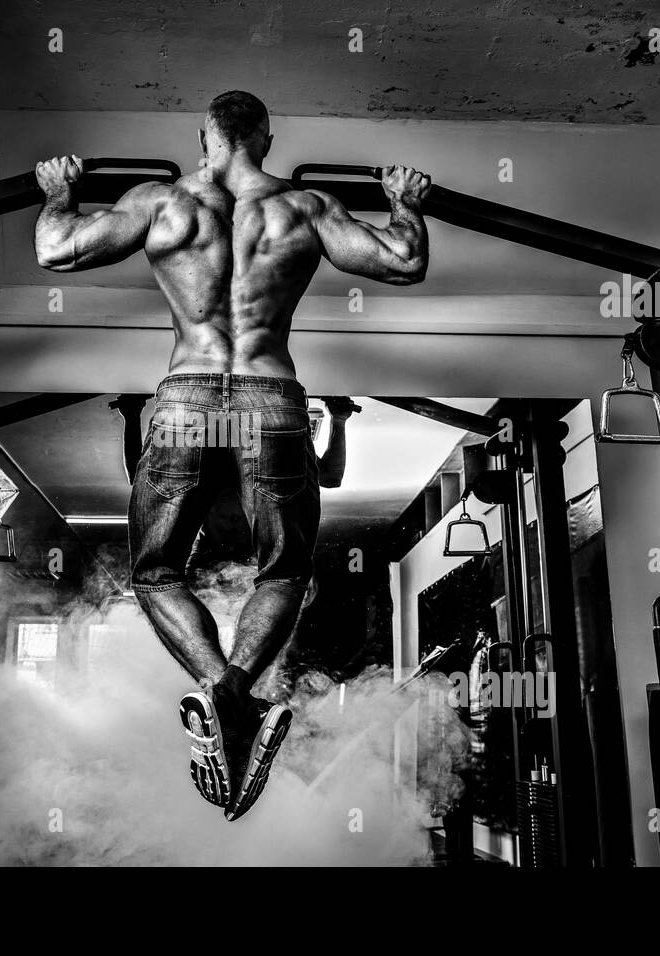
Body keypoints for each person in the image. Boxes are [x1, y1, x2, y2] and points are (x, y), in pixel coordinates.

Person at [35, 90, 429, 820]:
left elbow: (54, 249)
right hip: (269, 397)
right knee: (284, 567)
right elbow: (404, 261)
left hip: (186, 400)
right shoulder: (304, 208)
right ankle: (237, 690)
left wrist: (61, 192)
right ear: (268, 142)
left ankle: (222, 688)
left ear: (203, 138)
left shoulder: (160, 201)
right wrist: (403, 202)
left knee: (156, 572)